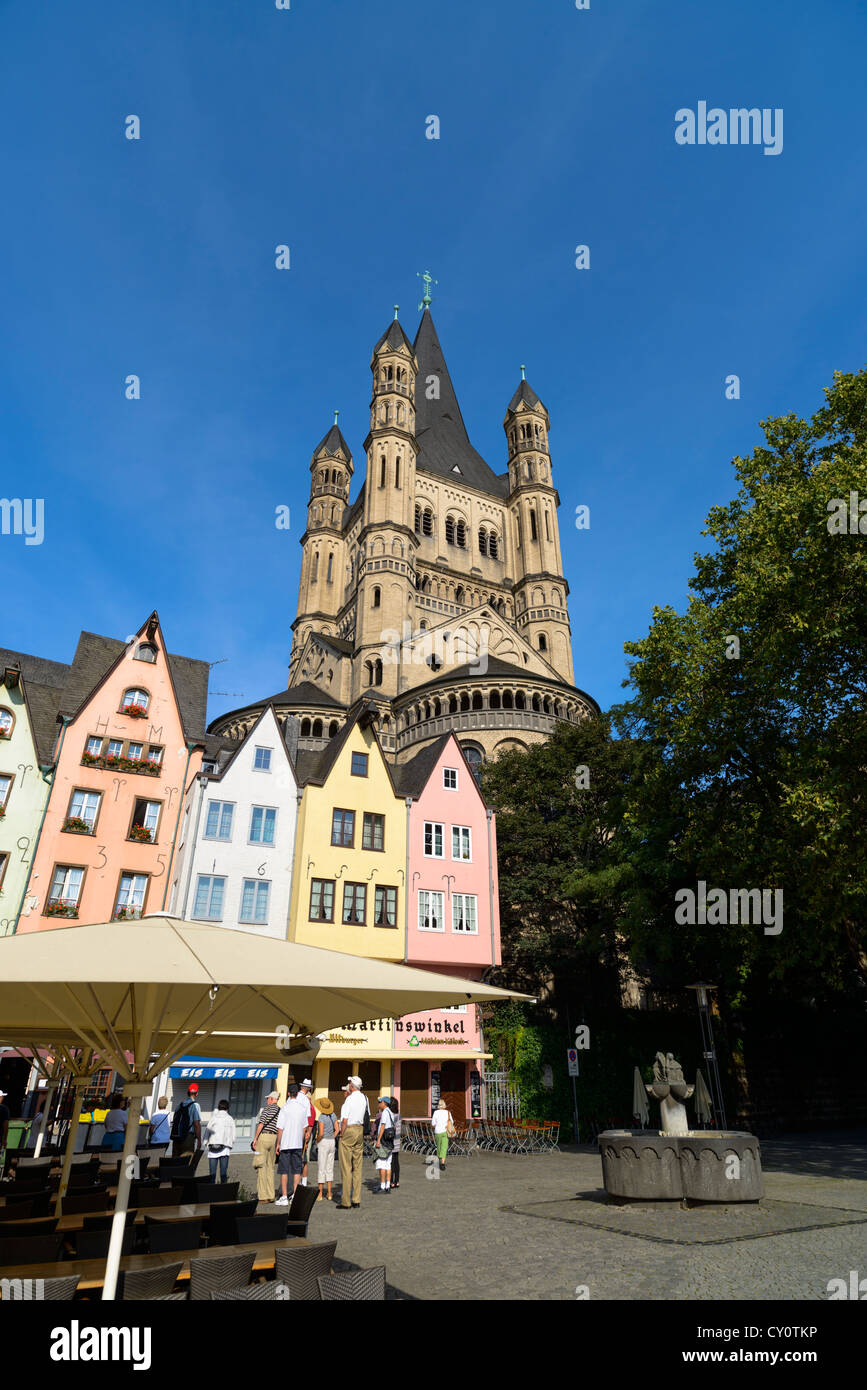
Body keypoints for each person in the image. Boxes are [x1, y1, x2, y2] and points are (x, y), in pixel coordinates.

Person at [336, 1075, 368, 1210]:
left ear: (352, 1086)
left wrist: (342, 1134)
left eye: (349, 1082)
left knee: (346, 1167)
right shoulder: (364, 1098)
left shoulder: (349, 1099)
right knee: (357, 1166)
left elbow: (344, 1120)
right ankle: (356, 1199)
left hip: (349, 1129)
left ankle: (345, 1201)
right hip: (359, 1130)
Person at [275, 1083, 310, 1205]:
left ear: (289, 1093)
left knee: (284, 1170)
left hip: (286, 1142)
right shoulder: (302, 1108)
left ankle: (284, 1196)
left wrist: (278, 1143)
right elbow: (305, 1127)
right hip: (297, 1143)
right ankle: (295, 1194)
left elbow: (280, 1128)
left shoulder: (285, 1107)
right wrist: (300, 1140)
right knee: (296, 1170)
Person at [251, 1090, 281, 1204]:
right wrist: (279, 1143)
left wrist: (255, 1138)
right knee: (271, 1167)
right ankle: (271, 1194)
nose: (267, 1100)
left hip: (264, 1137)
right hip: (274, 1138)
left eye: (268, 1098)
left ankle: (262, 1196)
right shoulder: (280, 1110)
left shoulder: (266, 1109)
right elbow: (280, 1128)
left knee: (261, 1165)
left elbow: (261, 1124)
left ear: (273, 1099)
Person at [204, 1098, 236, 1183]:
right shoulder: (230, 1118)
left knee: (212, 1174)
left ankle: (211, 1191)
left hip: (212, 1148)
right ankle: (223, 1192)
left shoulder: (213, 1118)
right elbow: (233, 1134)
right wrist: (231, 1143)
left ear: (219, 1107)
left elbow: (207, 1130)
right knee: (223, 1174)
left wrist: (205, 1143)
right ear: (227, 1108)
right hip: (225, 1148)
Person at [171, 1083, 202, 1159]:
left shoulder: (179, 1105)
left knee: (175, 1160)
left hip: (177, 1137)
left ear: (187, 1093)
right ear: (196, 1093)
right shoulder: (195, 1105)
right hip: (188, 1137)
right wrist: (199, 1140)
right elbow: (196, 1124)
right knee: (187, 1160)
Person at [315, 1096, 337, 1202]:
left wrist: (317, 1140)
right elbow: (337, 1129)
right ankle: (329, 1192)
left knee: (321, 1168)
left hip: (323, 1142)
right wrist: (333, 1136)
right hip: (332, 1142)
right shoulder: (333, 1115)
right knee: (329, 1167)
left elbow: (321, 1133)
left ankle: (320, 1193)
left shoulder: (321, 1117)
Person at [373, 1096, 395, 1193]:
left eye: (380, 1102)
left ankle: (382, 1186)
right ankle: (387, 1185)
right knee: (388, 1164)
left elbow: (382, 1126)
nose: (379, 1104)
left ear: (384, 1103)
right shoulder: (391, 1112)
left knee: (381, 1163)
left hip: (383, 1140)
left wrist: (378, 1140)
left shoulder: (385, 1112)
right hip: (390, 1141)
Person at [297, 1078, 317, 1187]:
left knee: (302, 1158)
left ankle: (301, 1181)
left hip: (302, 1132)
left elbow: (310, 1120)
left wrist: (308, 1133)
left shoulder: (300, 1099)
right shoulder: (308, 1103)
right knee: (303, 1158)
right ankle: (302, 1181)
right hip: (305, 1131)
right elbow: (310, 1120)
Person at [432, 1099, 454, 1171]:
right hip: (445, 1131)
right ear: (444, 1105)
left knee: (439, 1146)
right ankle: (442, 1163)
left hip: (438, 1132)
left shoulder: (435, 1112)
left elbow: (433, 1123)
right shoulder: (448, 1112)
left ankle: (440, 1161)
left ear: (438, 1105)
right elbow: (452, 1122)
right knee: (444, 1147)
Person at [388, 1096, 401, 1189]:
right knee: (396, 1161)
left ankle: (391, 1181)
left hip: (391, 1140)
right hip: (397, 1140)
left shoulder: (391, 1115)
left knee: (391, 1162)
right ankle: (397, 1181)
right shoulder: (398, 1115)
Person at [0, 1089, 10, 1155]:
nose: (3, 1098)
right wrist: (5, 1139)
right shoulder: (4, 1109)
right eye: (2, 1097)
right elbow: (5, 1125)